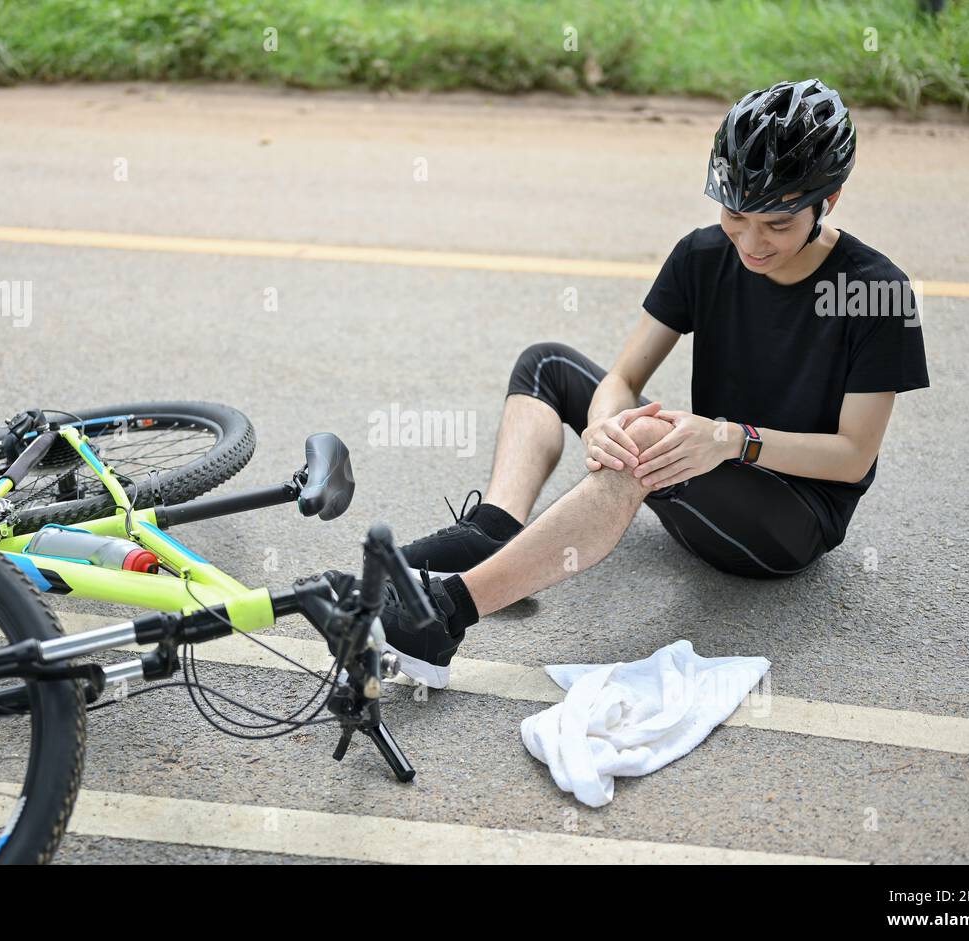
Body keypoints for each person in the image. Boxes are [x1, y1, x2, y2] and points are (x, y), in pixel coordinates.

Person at [328, 78, 930, 689]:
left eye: (775, 223)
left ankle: (445, 614)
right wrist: (602, 427)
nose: (750, 241)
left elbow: (853, 459)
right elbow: (622, 377)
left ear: (828, 202)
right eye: (734, 215)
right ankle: (493, 533)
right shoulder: (701, 256)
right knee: (547, 366)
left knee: (643, 439)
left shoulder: (876, 290)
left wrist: (730, 439)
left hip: (787, 520)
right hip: (700, 467)